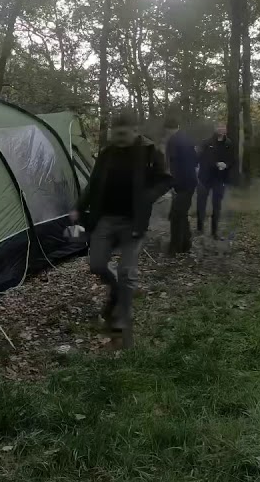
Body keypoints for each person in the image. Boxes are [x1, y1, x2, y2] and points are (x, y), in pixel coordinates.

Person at [70, 111, 171, 347]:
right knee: (97, 264)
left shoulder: (150, 152)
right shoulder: (107, 153)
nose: (119, 139)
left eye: (123, 135)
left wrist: (148, 196)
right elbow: (93, 184)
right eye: (116, 135)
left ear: (135, 131)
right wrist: (78, 207)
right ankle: (117, 291)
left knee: (127, 271)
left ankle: (123, 318)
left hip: (133, 221)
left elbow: (166, 180)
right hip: (106, 218)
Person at [163, 117, 198, 255]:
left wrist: (174, 185)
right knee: (181, 214)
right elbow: (195, 160)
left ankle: (175, 248)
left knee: (176, 216)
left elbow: (175, 165)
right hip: (190, 182)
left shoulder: (173, 141)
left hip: (182, 184)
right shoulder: (188, 139)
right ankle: (185, 244)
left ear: (167, 129)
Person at [196, 121, 235, 241]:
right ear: (215, 128)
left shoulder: (229, 144)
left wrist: (226, 165)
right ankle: (200, 228)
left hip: (219, 178)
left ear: (226, 129)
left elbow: (233, 159)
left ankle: (214, 232)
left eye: (223, 127)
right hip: (205, 178)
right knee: (201, 203)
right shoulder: (206, 142)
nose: (221, 129)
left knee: (217, 206)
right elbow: (202, 159)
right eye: (219, 127)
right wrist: (215, 164)